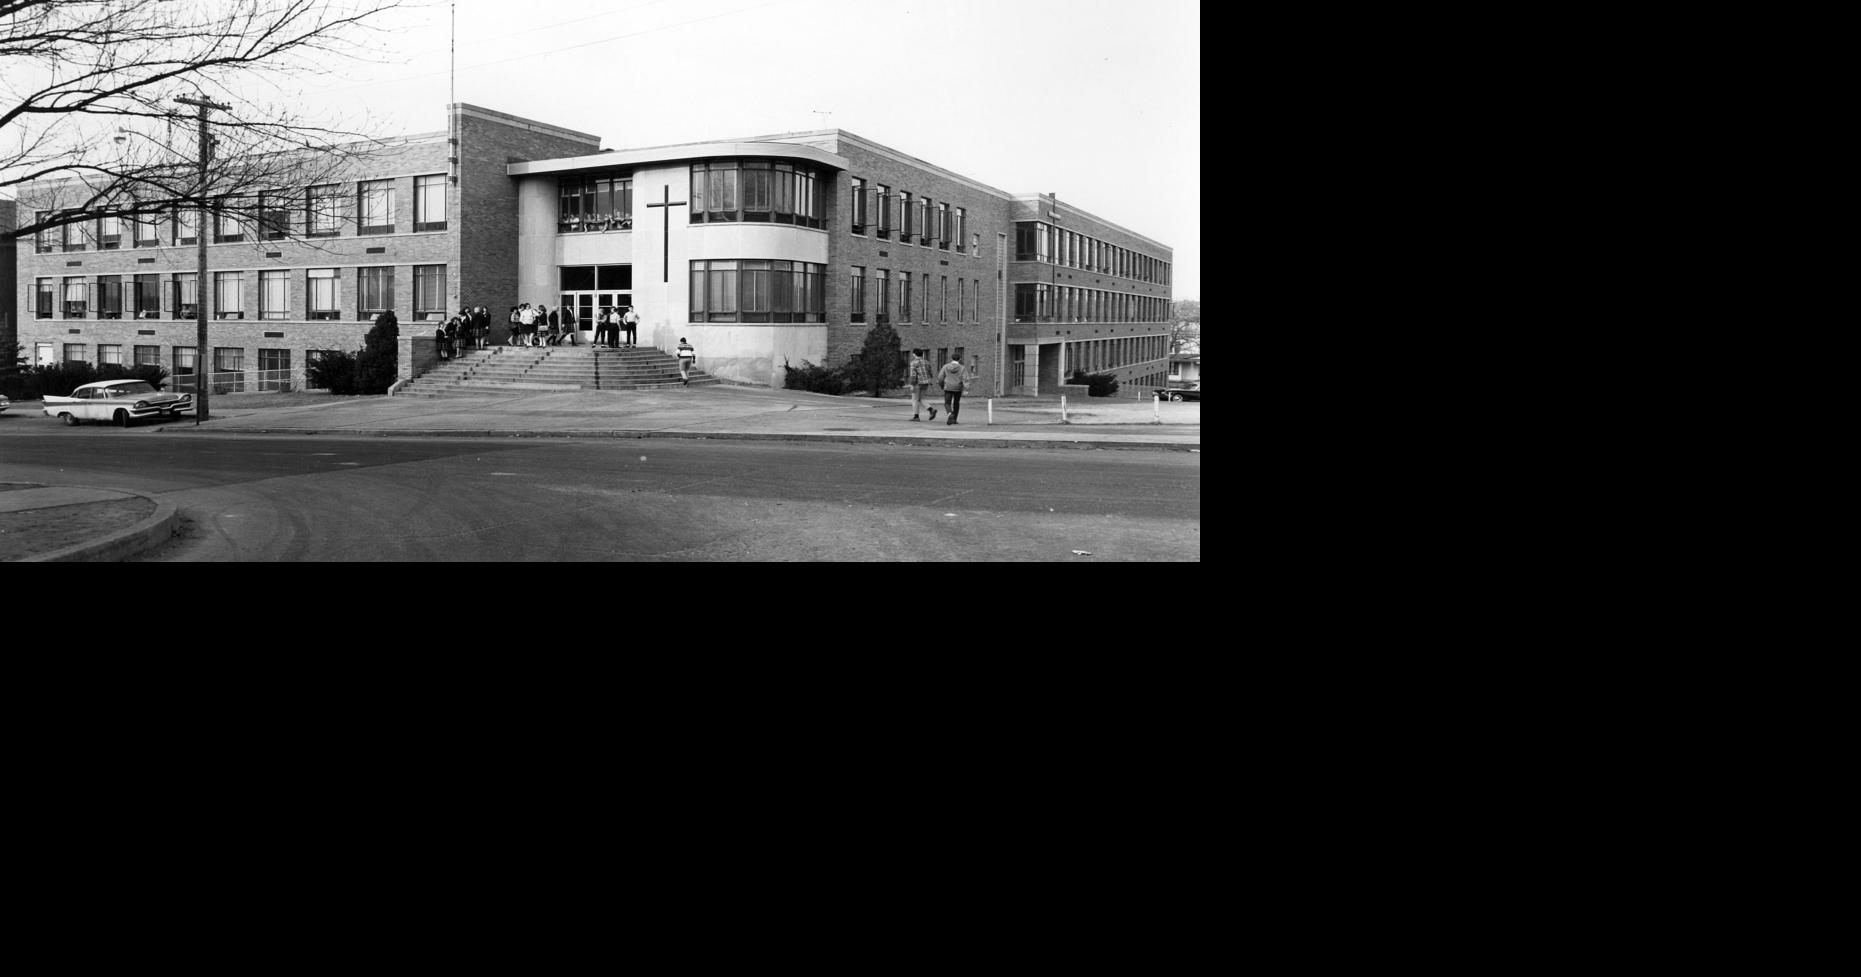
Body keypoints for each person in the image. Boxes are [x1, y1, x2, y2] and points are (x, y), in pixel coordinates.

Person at [937, 353, 967, 425]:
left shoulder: (946, 366)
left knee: (947, 403)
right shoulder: (962, 368)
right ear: (959, 359)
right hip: (958, 387)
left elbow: (940, 377)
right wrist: (966, 389)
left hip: (948, 387)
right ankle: (954, 419)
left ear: (951, 359)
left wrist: (941, 385)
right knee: (956, 403)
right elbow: (965, 379)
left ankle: (950, 414)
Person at [907, 348, 936, 422]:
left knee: (915, 399)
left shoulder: (914, 363)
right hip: (926, 382)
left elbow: (913, 375)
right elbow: (931, 373)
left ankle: (916, 416)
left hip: (917, 383)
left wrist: (912, 385)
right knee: (922, 398)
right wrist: (929, 380)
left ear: (914, 354)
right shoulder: (927, 362)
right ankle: (931, 409)